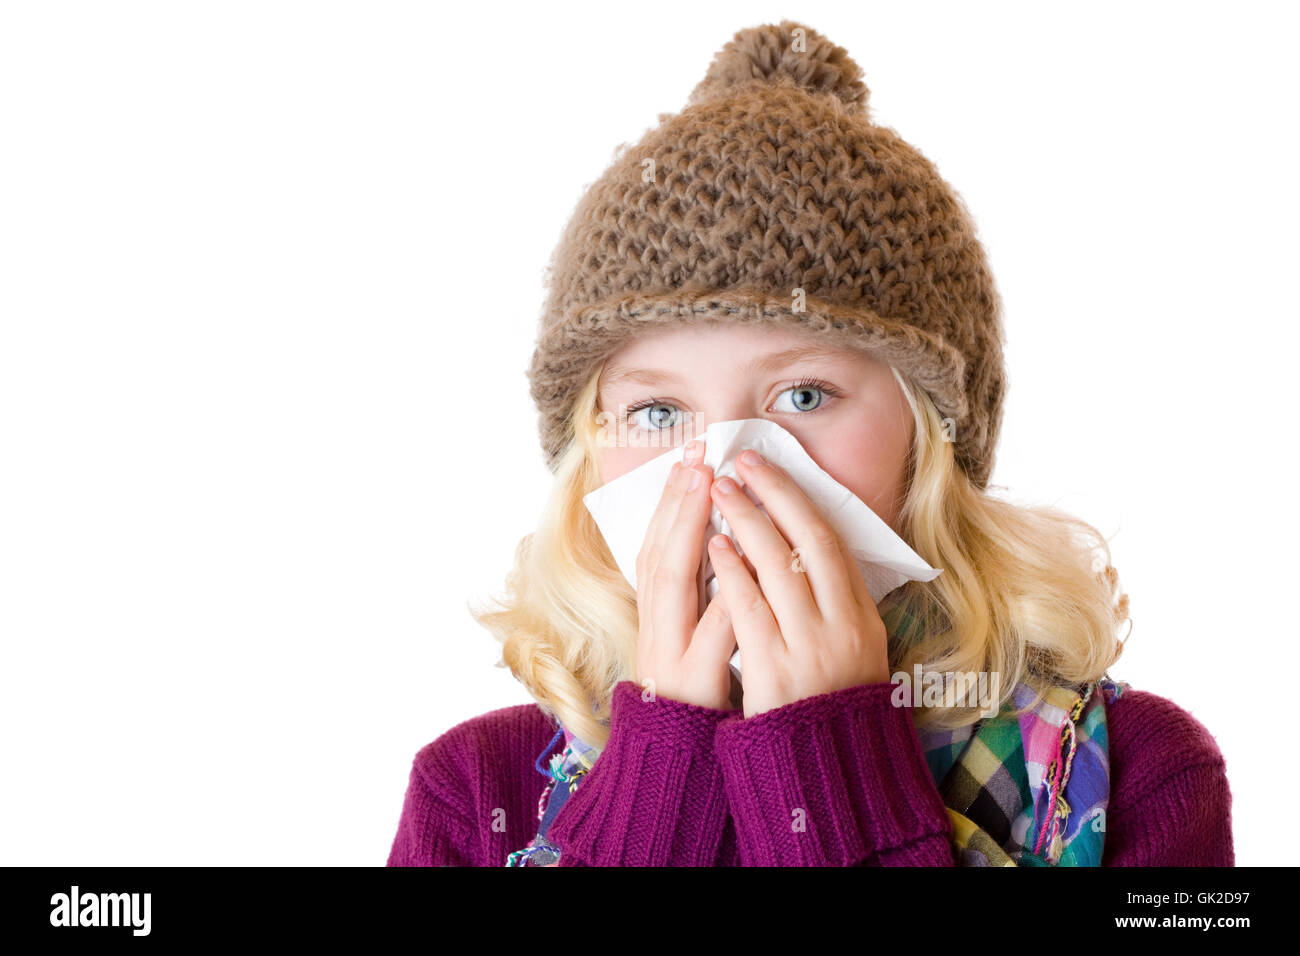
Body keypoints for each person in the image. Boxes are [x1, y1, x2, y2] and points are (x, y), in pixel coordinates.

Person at [386, 19, 1233, 867]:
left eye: (803, 395)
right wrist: (659, 788)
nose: (723, 471)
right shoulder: (471, 796)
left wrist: (828, 776)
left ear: (932, 435)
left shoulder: (1143, 780)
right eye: (655, 412)